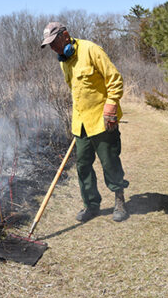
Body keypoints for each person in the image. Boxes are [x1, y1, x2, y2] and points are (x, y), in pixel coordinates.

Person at [41, 22, 128, 222]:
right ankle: (91, 205)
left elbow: (114, 79)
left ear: (66, 36)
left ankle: (119, 201)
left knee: (110, 162)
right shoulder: (64, 60)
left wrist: (111, 106)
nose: (53, 48)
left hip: (102, 120)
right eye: (50, 45)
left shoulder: (91, 50)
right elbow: (74, 88)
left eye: (54, 43)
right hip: (80, 123)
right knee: (83, 166)